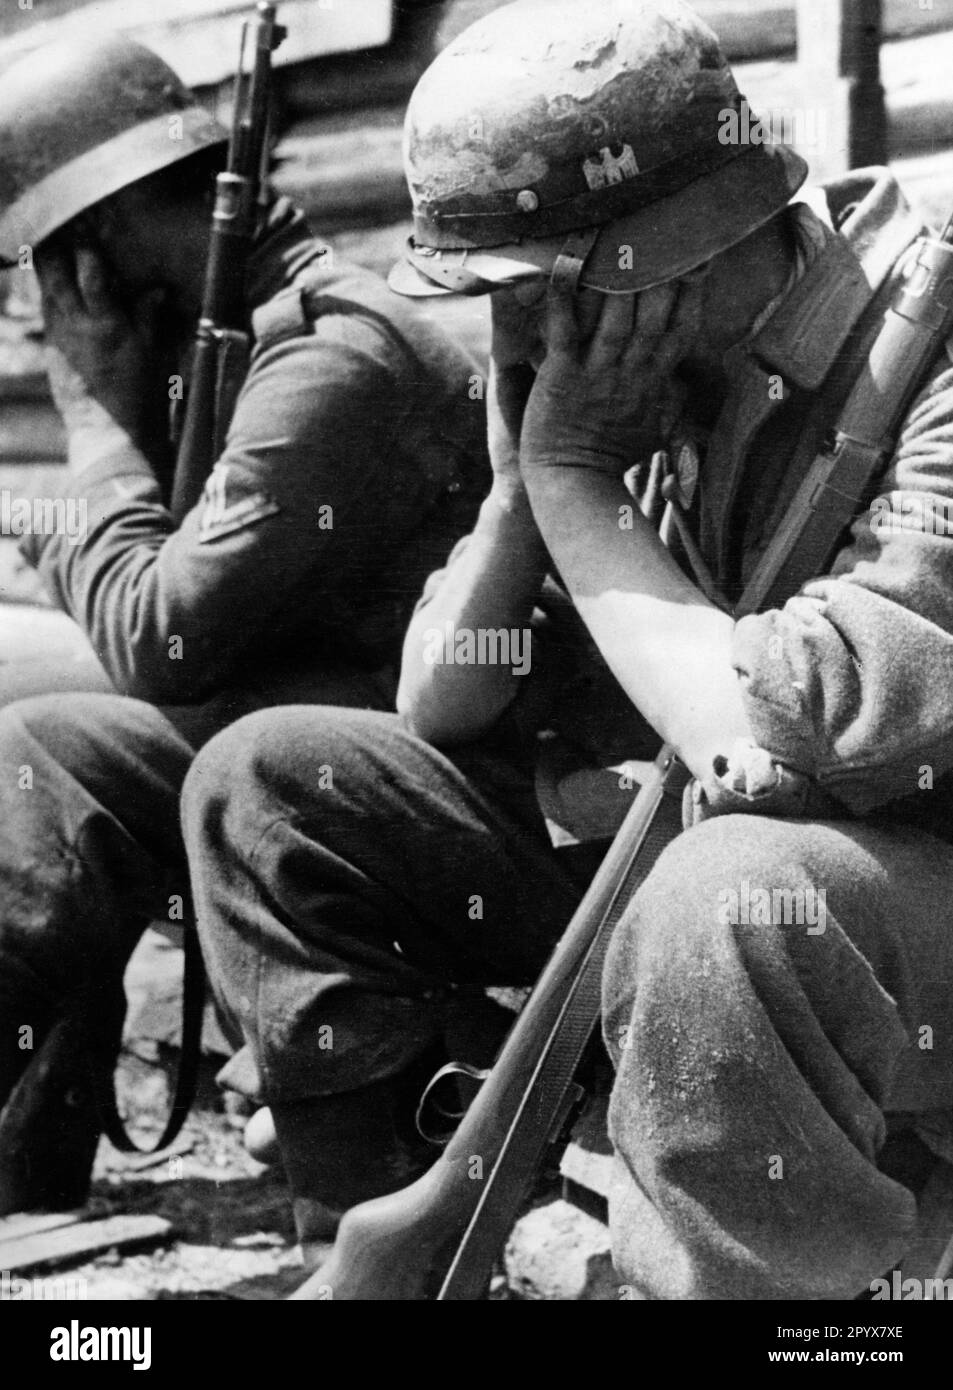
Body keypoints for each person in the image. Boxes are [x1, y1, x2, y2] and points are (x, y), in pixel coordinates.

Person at [182, 0, 953, 1298]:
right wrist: (516, 491)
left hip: (891, 895)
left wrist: (573, 472)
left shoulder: (923, 356)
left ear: (664, 264)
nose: (515, 335)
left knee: (725, 903)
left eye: (529, 294)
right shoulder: (633, 377)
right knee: (279, 779)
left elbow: (766, 730)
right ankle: (448, 1214)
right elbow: (443, 700)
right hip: (689, 843)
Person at [0, 32, 489, 1216]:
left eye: (41, 274)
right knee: (54, 744)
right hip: (324, 733)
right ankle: (30, 1148)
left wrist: (87, 417)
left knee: (49, 754)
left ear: (89, 261)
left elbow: (159, 637)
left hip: (423, 773)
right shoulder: (236, 350)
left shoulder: (329, 361)